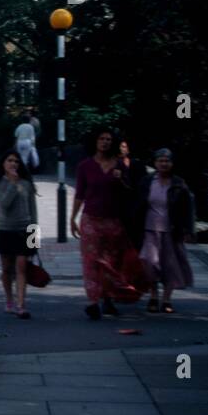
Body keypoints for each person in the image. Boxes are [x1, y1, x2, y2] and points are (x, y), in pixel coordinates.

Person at [71, 126, 138, 319]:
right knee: (91, 261)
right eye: (102, 139)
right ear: (95, 142)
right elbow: (79, 194)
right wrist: (72, 218)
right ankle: (93, 301)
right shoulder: (85, 166)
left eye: (109, 139)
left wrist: (121, 181)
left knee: (111, 262)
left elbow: (129, 192)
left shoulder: (119, 165)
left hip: (113, 220)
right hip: (91, 219)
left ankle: (108, 299)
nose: (105, 142)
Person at [129, 149, 195, 313]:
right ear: (155, 163)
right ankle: (153, 295)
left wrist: (188, 230)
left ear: (172, 163)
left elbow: (188, 208)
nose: (164, 164)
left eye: (167, 161)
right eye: (160, 160)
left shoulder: (179, 183)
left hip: (171, 231)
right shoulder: (147, 181)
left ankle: (166, 299)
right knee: (149, 263)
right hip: (149, 229)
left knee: (170, 266)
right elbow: (136, 203)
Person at [0, 150, 39, 319]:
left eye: (16, 162)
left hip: (24, 230)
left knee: (21, 268)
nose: (13, 164)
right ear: (3, 164)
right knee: (6, 269)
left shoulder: (26, 183)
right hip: (5, 230)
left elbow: (33, 210)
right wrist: (12, 183)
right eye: (10, 160)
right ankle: (9, 300)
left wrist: (34, 238)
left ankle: (21, 305)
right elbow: (5, 204)